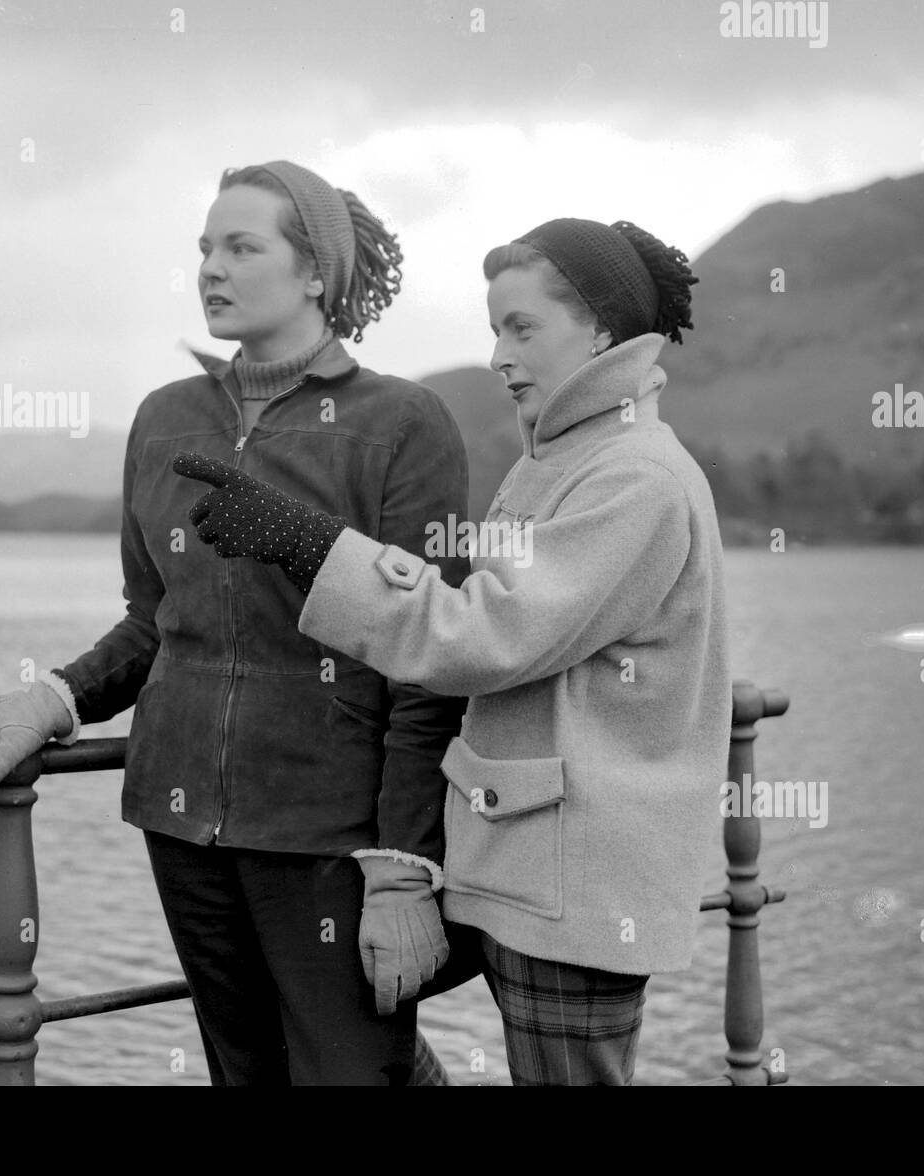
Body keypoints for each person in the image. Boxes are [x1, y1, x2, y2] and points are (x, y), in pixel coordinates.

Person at [0, 161, 471, 1086]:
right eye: (204, 248)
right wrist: (54, 696)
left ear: (315, 273)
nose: (210, 266)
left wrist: (405, 866)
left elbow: (427, 661)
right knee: (241, 1075)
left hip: (332, 835)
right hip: (179, 826)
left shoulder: (404, 422)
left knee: (352, 1073)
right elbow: (153, 620)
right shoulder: (165, 419)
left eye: (242, 247)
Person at [173, 216, 732, 1086]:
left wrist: (314, 544)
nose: (500, 355)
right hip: (514, 860)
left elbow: (481, 637)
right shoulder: (563, 458)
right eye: (493, 329)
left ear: (604, 332)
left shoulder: (636, 479)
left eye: (522, 328)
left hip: (578, 889)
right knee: (340, 1011)